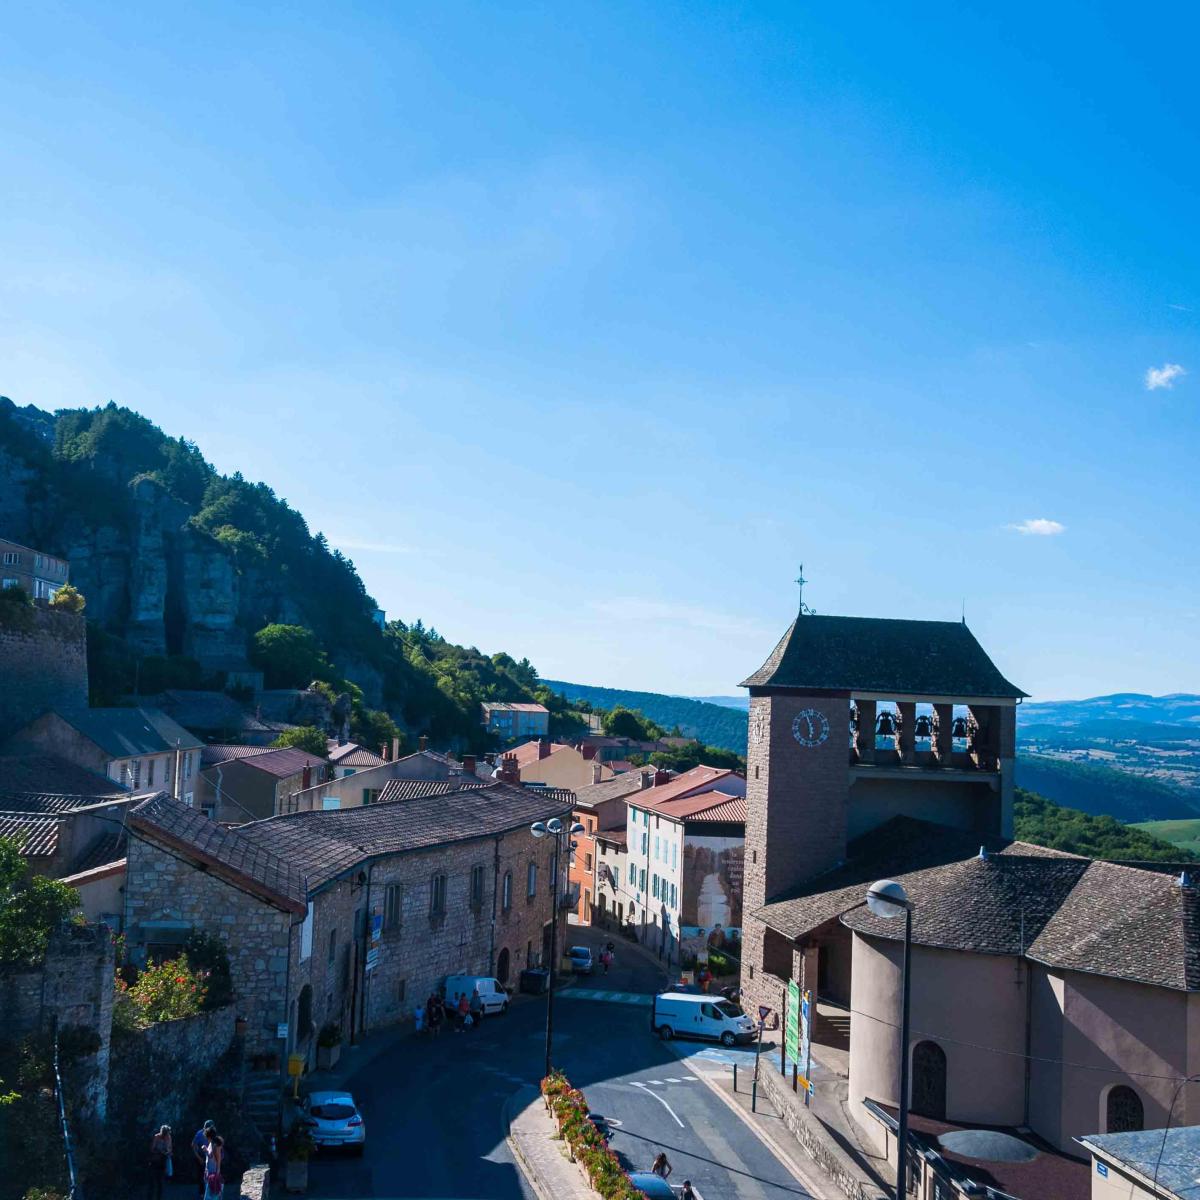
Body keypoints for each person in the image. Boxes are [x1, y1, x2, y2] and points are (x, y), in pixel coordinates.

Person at [191, 1121, 215, 1198]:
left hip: (210, 1156)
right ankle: (202, 1193)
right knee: (202, 1175)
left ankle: (210, 1192)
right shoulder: (199, 1134)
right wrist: (199, 1158)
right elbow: (193, 1145)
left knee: (211, 1175)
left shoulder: (213, 1133)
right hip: (202, 1157)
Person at [148, 1124, 172, 1200]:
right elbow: (152, 1149)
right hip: (155, 1162)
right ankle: (150, 1197)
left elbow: (170, 1148)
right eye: (167, 1133)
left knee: (160, 1182)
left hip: (163, 1162)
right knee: (152, 1182)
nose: (168, 1135)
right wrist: (160, 1151)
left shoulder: (168, 1137)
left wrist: (168, 1152)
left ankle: (159, 1198)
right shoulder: (157, 1137)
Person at [202, 1125, 224, 1199]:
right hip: (209, 1173)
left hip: (213, 1174)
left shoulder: (216, 1146)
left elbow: (218, 1160)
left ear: (209, 1137)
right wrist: (206, 1150)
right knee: (211, 1196)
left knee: (211, 1197)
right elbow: (211, 1156)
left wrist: (217, 1174)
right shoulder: (211, 1144)